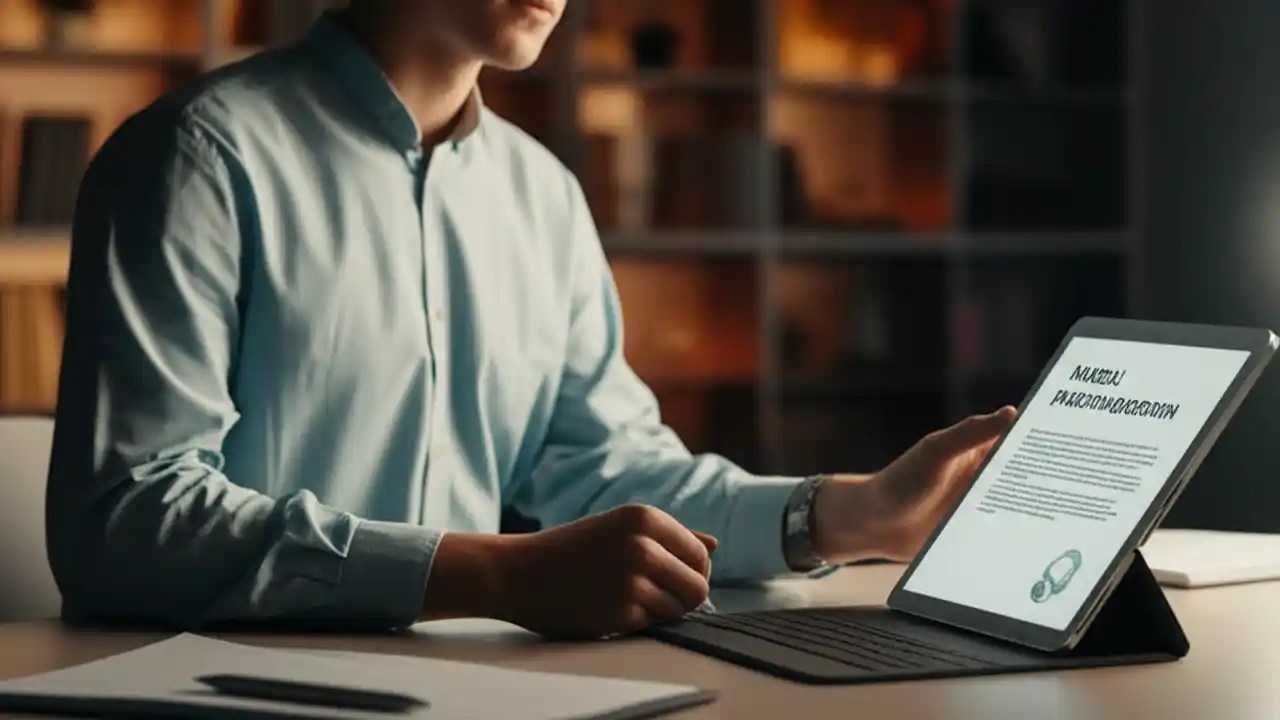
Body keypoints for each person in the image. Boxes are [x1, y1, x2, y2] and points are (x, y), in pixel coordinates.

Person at [47, 0, 1015, 638]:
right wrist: (497, 577)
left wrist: (841, 516)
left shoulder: (542, 196)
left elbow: (607, 468)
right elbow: (124, 520)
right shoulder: (195, 162)